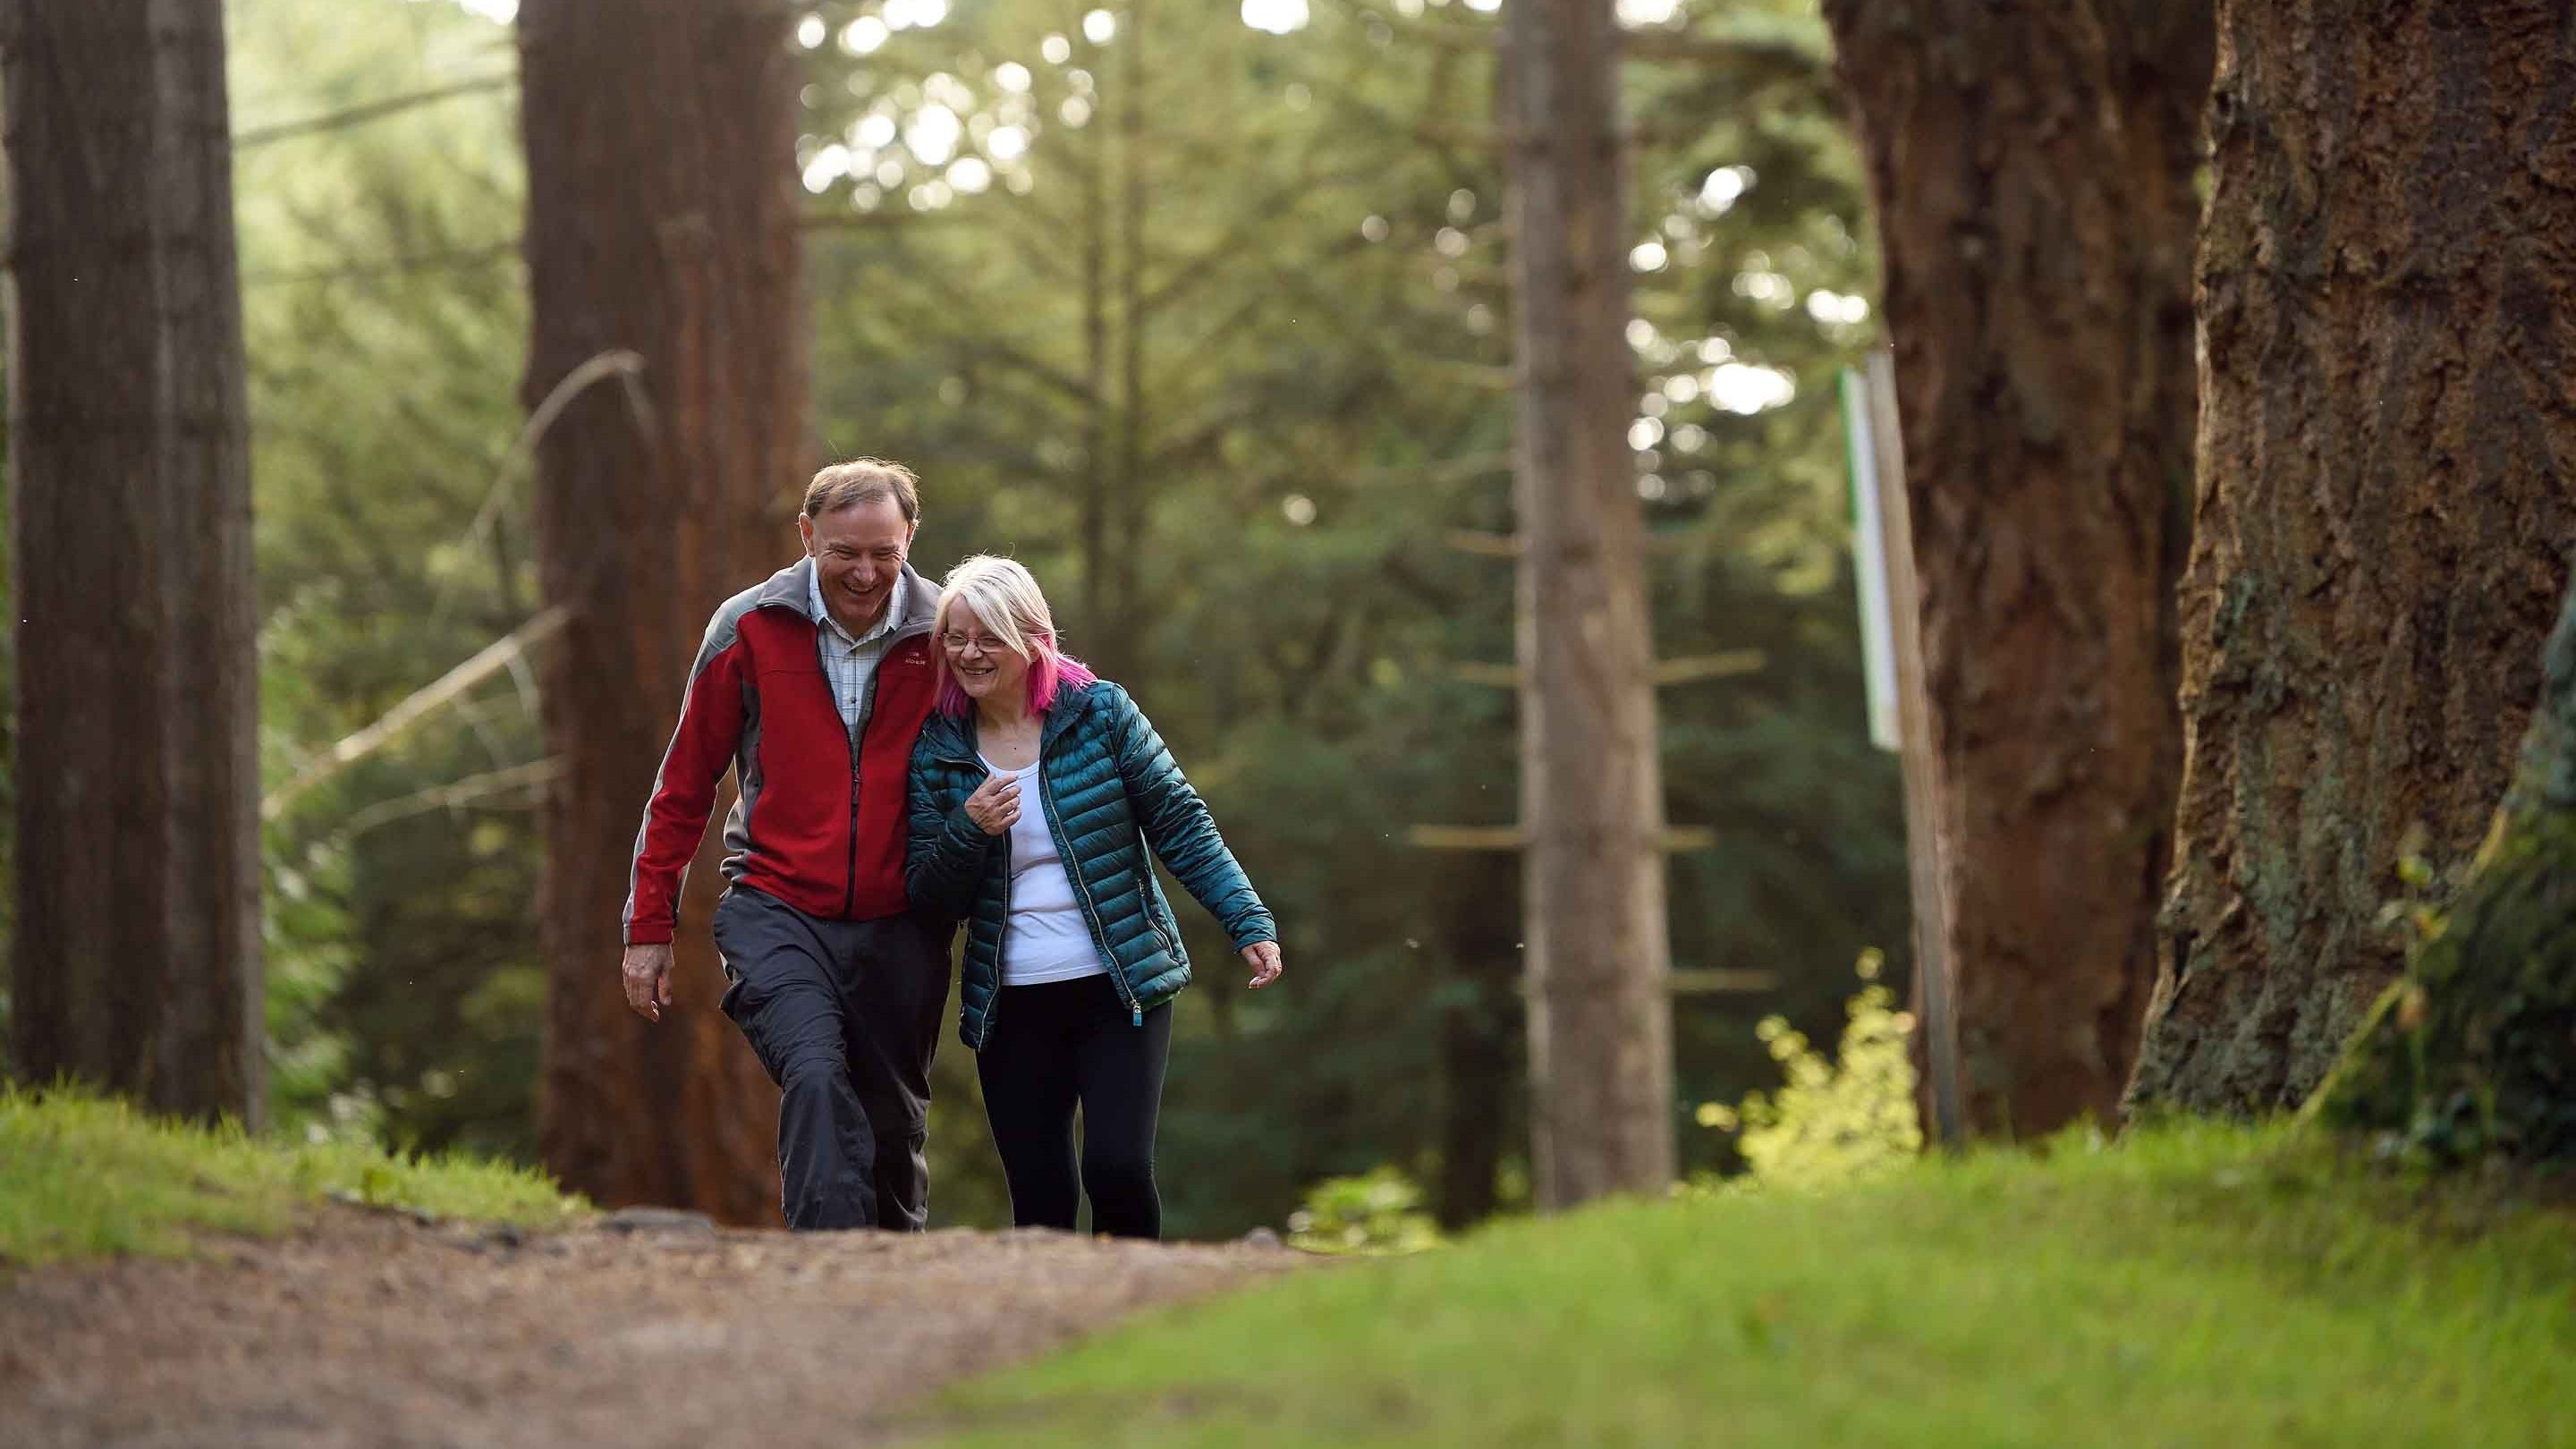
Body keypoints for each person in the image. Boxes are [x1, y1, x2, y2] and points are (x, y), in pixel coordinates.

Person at [905, 555, 1283, 1240]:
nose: (968, 653)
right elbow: (929, 898)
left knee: (1119, 1170)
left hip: (1119, 986)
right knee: (1041, 1196)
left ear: (1031, 639)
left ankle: (1137, 1300)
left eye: (988, 637)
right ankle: (1055, 1306)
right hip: (1011, 1001)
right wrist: (969, 829)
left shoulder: (1101, 714)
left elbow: (1180, 823)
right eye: (955, 637)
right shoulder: (939, 748)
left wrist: (1246, 919)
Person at [618, 458, 952, 1232]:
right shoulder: (748, 626)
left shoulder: (945, 631)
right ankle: (828, 1262)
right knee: (814, 1072)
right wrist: (648, 928)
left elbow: (1026, 711)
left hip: (903, 916)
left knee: (891, 1119)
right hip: (777, 908)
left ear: (909, 538)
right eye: (844, 552)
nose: (864, 573)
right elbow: (684, 785)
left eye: (883, 553)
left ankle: (890, 1269)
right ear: (806, 535)